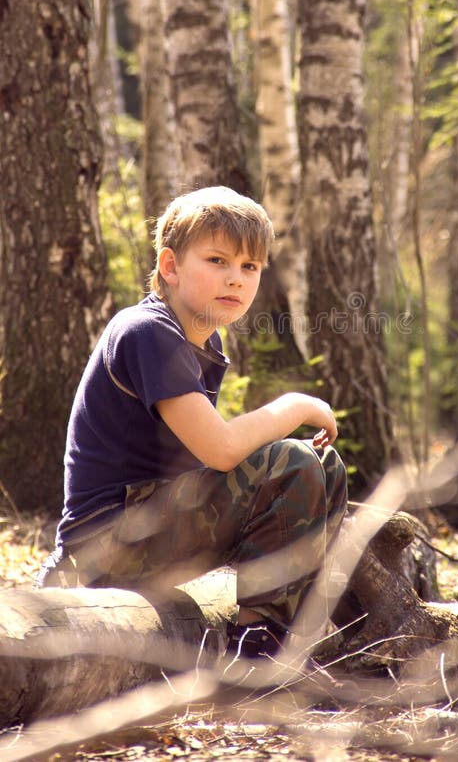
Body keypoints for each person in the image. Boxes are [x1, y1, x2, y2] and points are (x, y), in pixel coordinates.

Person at [37, 185, 348, 659]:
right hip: (104, 550)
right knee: (291, 461)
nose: (235, 279)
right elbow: (220, 450)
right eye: (217, 261)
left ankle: (299, 630)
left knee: (325, 466)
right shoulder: (146, 331)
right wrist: (295, 405)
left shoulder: (203, 341)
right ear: (170, 266)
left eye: (250, 267)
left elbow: (204, 461)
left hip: (153, 526)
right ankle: (254, 650)